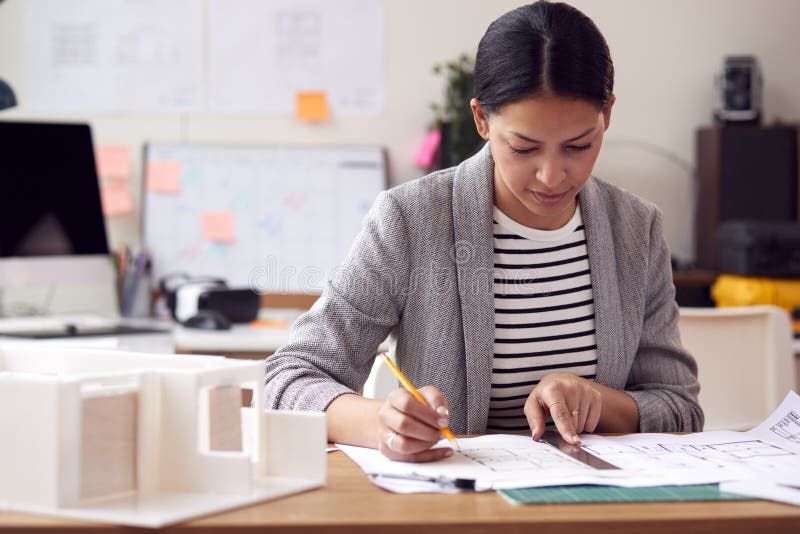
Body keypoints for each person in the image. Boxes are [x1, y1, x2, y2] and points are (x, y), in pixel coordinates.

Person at [264, 0, 703, 463]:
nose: (552, 175)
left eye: (579, 145)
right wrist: (383, 424)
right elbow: (288, 377)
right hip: (461, 503)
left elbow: (680, 408)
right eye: (524, 147)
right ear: (481, 120)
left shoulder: (636, 230)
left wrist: (598, 401)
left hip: (595, 502)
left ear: (607, 114)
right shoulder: (412, 220)